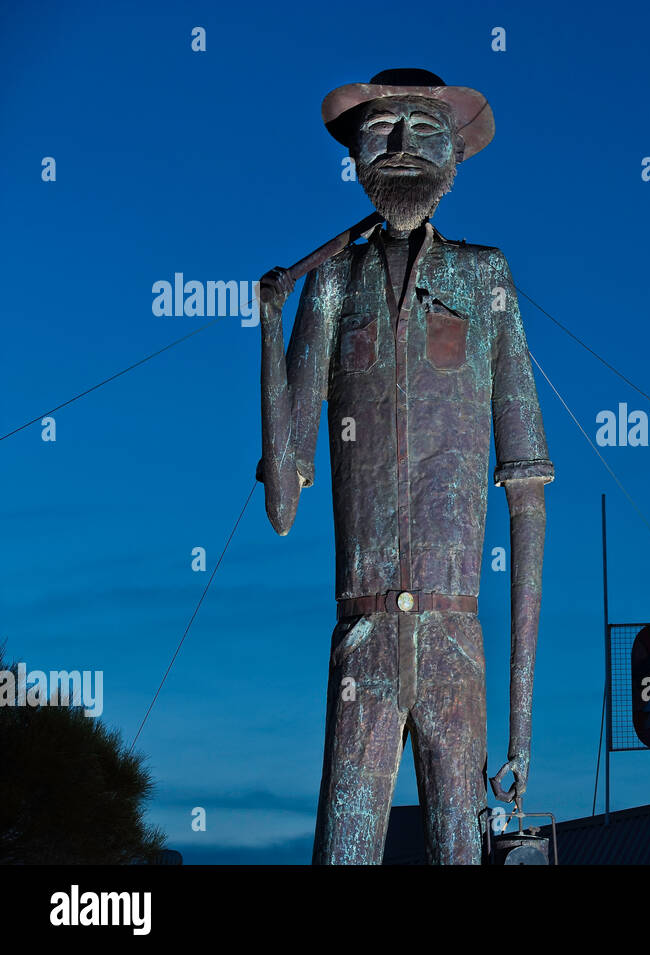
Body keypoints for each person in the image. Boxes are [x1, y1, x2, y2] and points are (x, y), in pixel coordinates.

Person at [256, 69, 552, 864]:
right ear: (354, 154)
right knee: (342, 850)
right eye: (380, 131)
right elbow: (283, 503)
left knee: (461, 845)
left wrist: (520, 727)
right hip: (364, 633)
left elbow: (528, 493)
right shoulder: (329, 287)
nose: (398, 148)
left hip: (458, 635)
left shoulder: (484, 278)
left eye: (422, 131)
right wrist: (269, 328)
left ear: (454, 155)